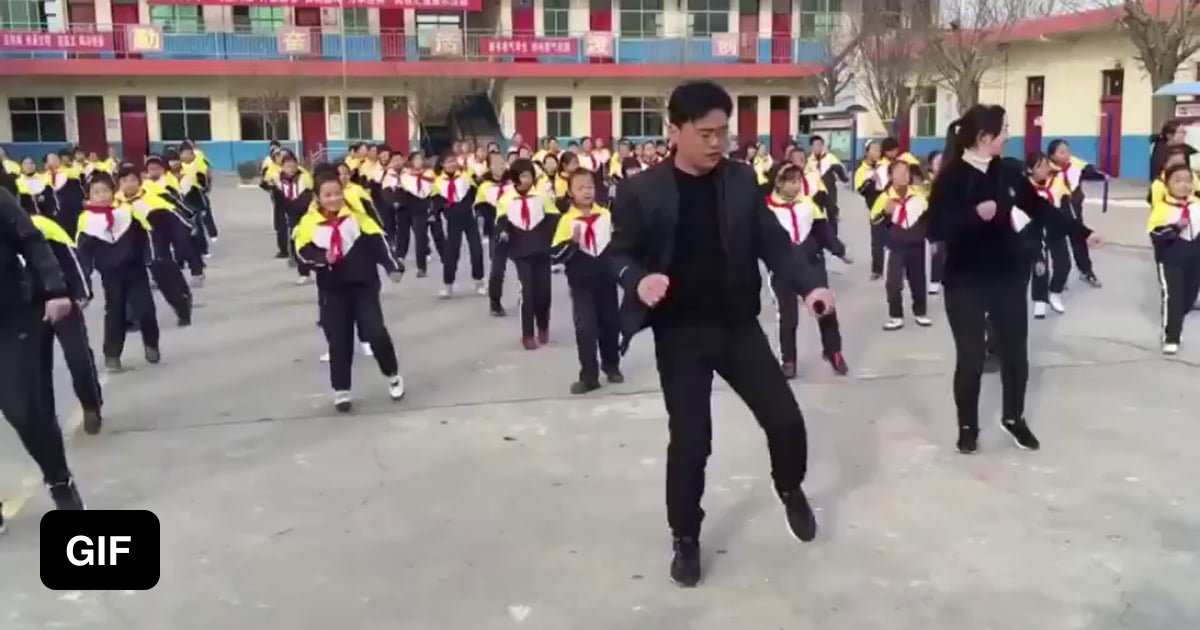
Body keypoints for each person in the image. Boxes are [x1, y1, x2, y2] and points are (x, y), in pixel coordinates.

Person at [608, 81, 835, 588]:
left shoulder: (739, 181)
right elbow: (618, 254)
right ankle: (685, 538)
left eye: (723, 132)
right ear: (675, 132)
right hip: (680, 332)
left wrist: (809, 287)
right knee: (692, 442)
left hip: (737, 325)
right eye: (705, 133)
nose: (717, 143)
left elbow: (775, 245)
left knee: (786, 420)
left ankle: (789, 487)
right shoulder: (642, 190)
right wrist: (638, 280)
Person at [927, 104, 1101, 455]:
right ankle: (967, 426)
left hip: (1006, 275)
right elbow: (933, 229)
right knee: (972, 357)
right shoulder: (952, 176)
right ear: (983, 137)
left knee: (1015, 354)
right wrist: (972, 216)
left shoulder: (1006, 171)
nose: (1008, 137)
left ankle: (1014, 418)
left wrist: (1080, 231)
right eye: (1003, 130)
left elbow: (1039, 207)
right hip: (965, 280)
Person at [0, 187, 87, 529]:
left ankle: (59, 479)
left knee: (27, 410)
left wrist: (55, 289)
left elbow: (32, 240)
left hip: (12, 318)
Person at [294, 169, 405, 412]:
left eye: (337, 193)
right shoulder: (309, 224)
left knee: (374, 332)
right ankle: (341, 389)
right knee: (338, 339)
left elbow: (379, 242)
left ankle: (392, 373)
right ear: (317, 197)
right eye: (327, 195)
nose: (333, 199)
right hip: (332, 290)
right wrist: (323, 257)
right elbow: (301, 252)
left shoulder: (356, 218)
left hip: (364, 285)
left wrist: (392, 266)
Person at [766, 163, 850, 377]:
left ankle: (834, 352)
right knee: (788, 317)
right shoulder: (766, 208)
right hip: (782, 269)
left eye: (798, 181)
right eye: (791, 182)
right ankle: (789, 360)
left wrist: (839, 251)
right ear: (779, 183)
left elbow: (824, 232)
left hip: (810, 264)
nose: (796, 186)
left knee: (825, 309)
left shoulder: (808, 204)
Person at [76, 173, 162, 372]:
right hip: (111, 275)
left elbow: (145, 234)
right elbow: (83, 253)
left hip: (135, 270)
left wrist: (148, 258)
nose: (102, 195)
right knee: (115, 313)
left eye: (106, 191)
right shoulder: (86, 220)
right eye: (96, 192)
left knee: (146, 309)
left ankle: (151, 344)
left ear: (113, 192)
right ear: (89, 196)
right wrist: (84, 281)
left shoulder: (126, 212)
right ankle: (112, 355)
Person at [550, 169, 623, 394]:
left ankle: (611, 365)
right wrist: (572, 243)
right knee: (586, 329)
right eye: (581, 188)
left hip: (606, 280)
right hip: (582, 284)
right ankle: (589, 375)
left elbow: (619, 244)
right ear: (571, 192)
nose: (587, 191)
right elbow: (555, 256)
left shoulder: (606, 215)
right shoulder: (567, 221)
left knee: (610, 325)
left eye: (590, 186)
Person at [495, 159, 559, 349]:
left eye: (528, 175)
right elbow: (501, 221)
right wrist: (503, 232)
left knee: (544, 292)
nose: (525, 180)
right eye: (521, 176)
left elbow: (554, 218)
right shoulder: (506, 199)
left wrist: (546, 235)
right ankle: (527, 333)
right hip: (520, 251)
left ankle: (543, 326)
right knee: (527, 292)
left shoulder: (541, 196)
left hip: (541, 249)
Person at [871, 160, 931, 331]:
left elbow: (928, 216)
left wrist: (924, 232)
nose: (904, 176)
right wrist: (885, 213)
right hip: (896, 246)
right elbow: (874, 221)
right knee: (893, 282)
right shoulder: (884, 198)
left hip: (916, 245)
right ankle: (895, 315)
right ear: (891, 176)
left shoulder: (919, 195)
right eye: (899, 172)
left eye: (906, 172)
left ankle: (920, 312)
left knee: (918, 280)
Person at [1148, 164, 1199, 355]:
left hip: (1194, 258)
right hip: (1170, 259)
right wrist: (1176, 227)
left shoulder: (1196, 204)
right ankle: (1171, 336)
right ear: (1167, 184)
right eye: (1177, 181)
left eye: (1187, 180)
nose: (1184, 185)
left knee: (1189, 297)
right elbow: (1156, 235)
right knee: (1173, 298)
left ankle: (1175, 321)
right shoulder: (1161, 208)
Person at [1047, 139, 1106, 290]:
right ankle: (1060, 276)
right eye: (1062, 152)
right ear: (1052, 155)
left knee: (1079, 240)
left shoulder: (1073, 164)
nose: (1067, 155)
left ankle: (1086, 271)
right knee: (1058, 247)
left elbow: (1087, 169)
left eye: (1068, 151)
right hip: (1056, 213)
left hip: (1075, 210)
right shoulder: (1047, 169)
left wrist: (1098, 174)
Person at [433, 154, 485, 298]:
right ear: (443, 164)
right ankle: (448, 285)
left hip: (468, 217)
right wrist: (447, 210)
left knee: (476, 249)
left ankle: (478, 281)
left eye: (453, 161)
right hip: (452, 220)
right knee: (451, 253)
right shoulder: (438, 182)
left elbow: (473, 193)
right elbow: (437, 201)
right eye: (448, 162)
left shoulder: (465, 176)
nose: (452, 164)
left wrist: (463, 206)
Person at [855, 139, 889, 280]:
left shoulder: (886, 165)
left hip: (891, 204)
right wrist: (870, 180)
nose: (877, 152)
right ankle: (877, 270)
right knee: (877, 241)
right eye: (874, 149)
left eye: (879, 149)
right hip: (875, 208)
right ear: (867, 151)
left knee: (898, 236)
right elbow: (860, 190)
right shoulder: (862, 171)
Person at [807, 135, 849, 231]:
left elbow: (840, 168)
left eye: (820, 145)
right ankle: (819, 235)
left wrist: (844, 178)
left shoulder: (830, 157)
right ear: (811, 147)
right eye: (815, 145)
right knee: (817, 212)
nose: (818, 147)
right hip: (815, 189)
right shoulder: (808, 160)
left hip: (829, 187)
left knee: (831, 211)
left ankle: (834, 235)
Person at [924, 150, 947, 294]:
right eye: (937, 161)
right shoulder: (927, 182)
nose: (940, 164)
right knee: (938, 250)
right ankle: (934, 280)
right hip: (932, 222)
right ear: (931, 165)